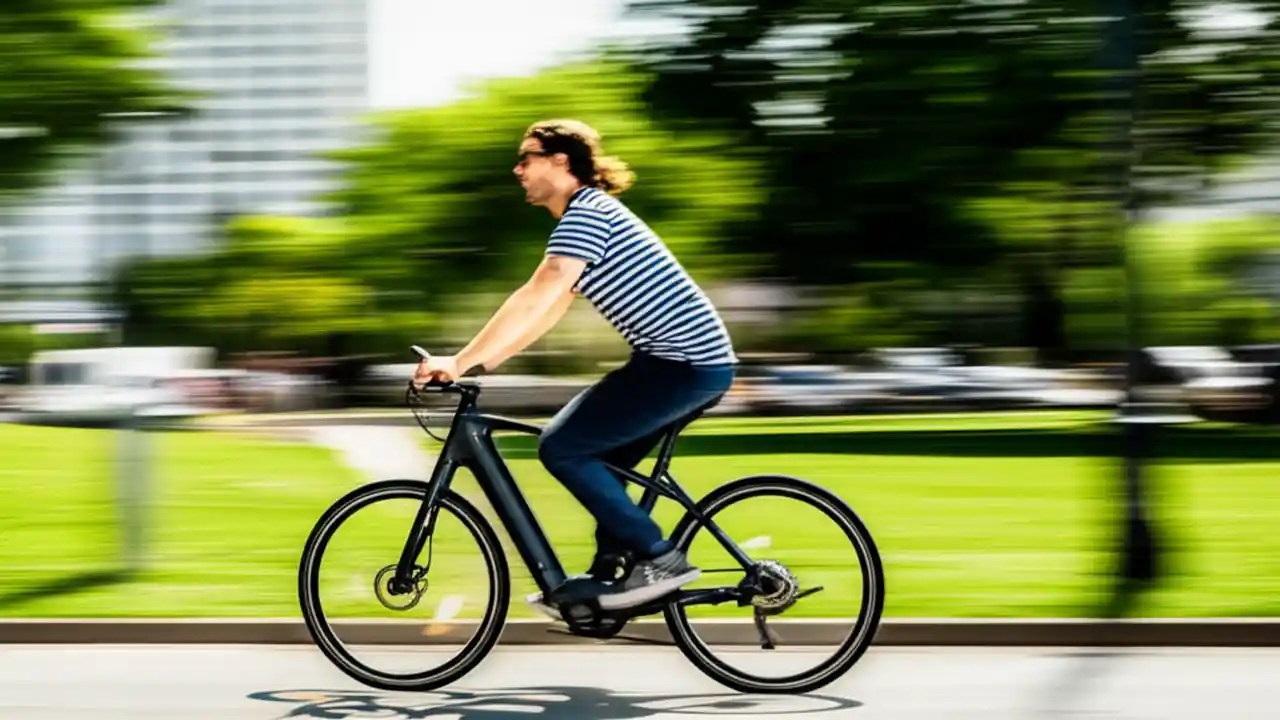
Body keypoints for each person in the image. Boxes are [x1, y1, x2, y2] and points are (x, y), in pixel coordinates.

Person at [412, 118, 738, 613]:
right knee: (600, 458)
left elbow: (538, 291)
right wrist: (489, 360)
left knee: (563, 447)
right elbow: (553, 305)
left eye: (526, 157)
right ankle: (607, 582)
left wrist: (458, 361)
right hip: (679, 363)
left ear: (560, 161)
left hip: (682, 365)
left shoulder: (586, 214)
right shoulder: (588, 216)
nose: (517, 169)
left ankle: (658, 558)